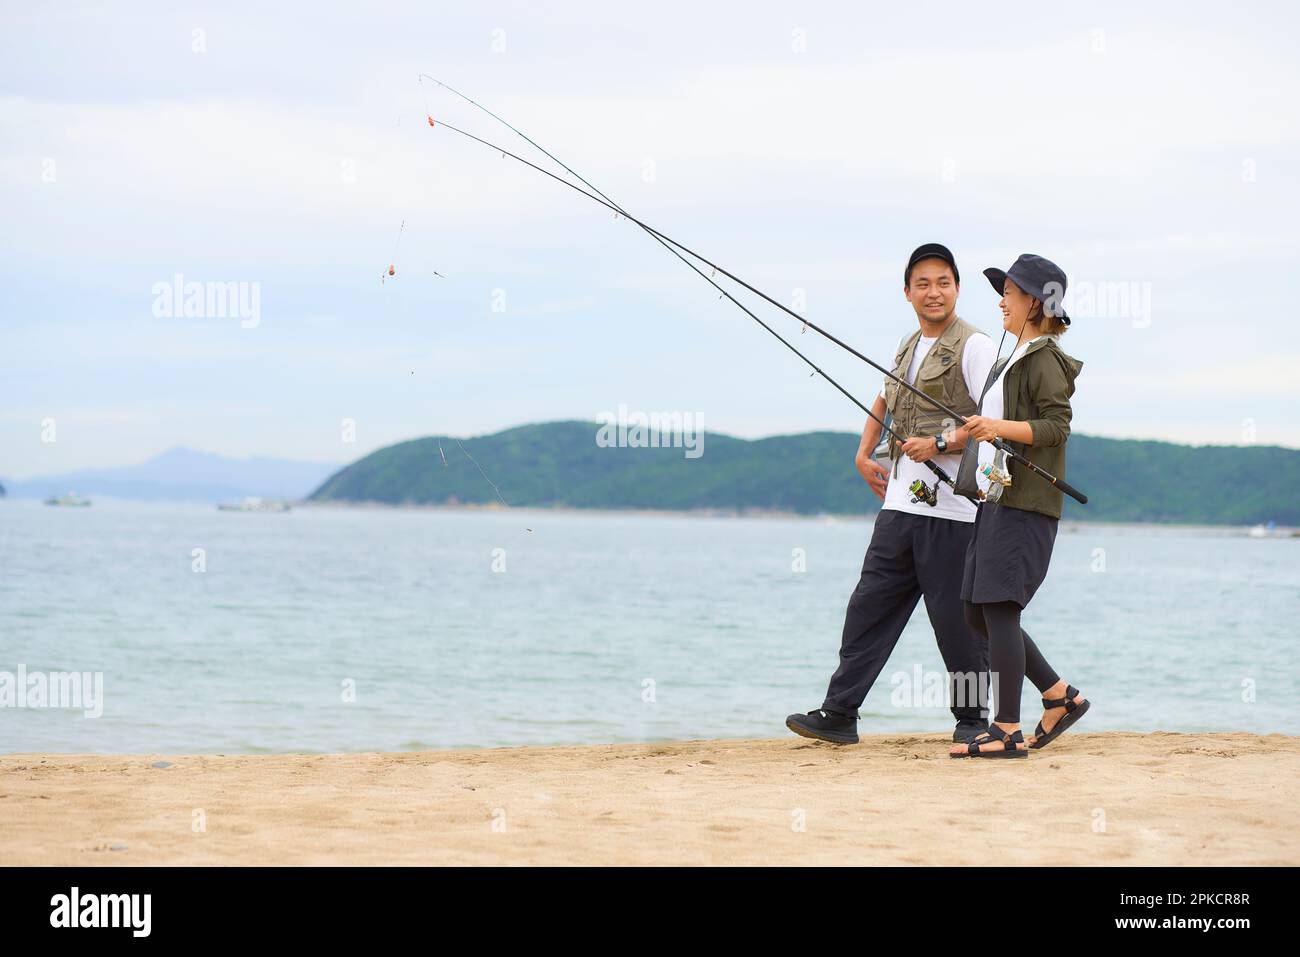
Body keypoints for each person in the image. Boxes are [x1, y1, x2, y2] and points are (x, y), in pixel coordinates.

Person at [786, 243, 998, 746]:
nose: (933, 291)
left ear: (957, 288)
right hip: (900, 506)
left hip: (955, 510)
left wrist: (942, 442)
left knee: (956, 623)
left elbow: (992, 419)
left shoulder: (975, 345)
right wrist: (864, 454)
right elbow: (884, 397)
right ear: (907, 292)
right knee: (868, 608)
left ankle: (973, 721)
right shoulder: (907, 345)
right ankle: (839, 714)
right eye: (922, 283)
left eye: (943, 282)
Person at [949, 254, 1089, 758]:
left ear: (1034, 301)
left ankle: (1007, 730)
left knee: (1000, 610)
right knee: (975, 612)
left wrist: (998, 429)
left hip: (1027, 504)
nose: (1001, 301)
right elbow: (999, 425)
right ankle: (1059, 696)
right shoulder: (1016, 356)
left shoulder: (1046, 359)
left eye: (1008, 292)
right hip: (998, 497)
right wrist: (963, 432)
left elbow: (1057, 427)